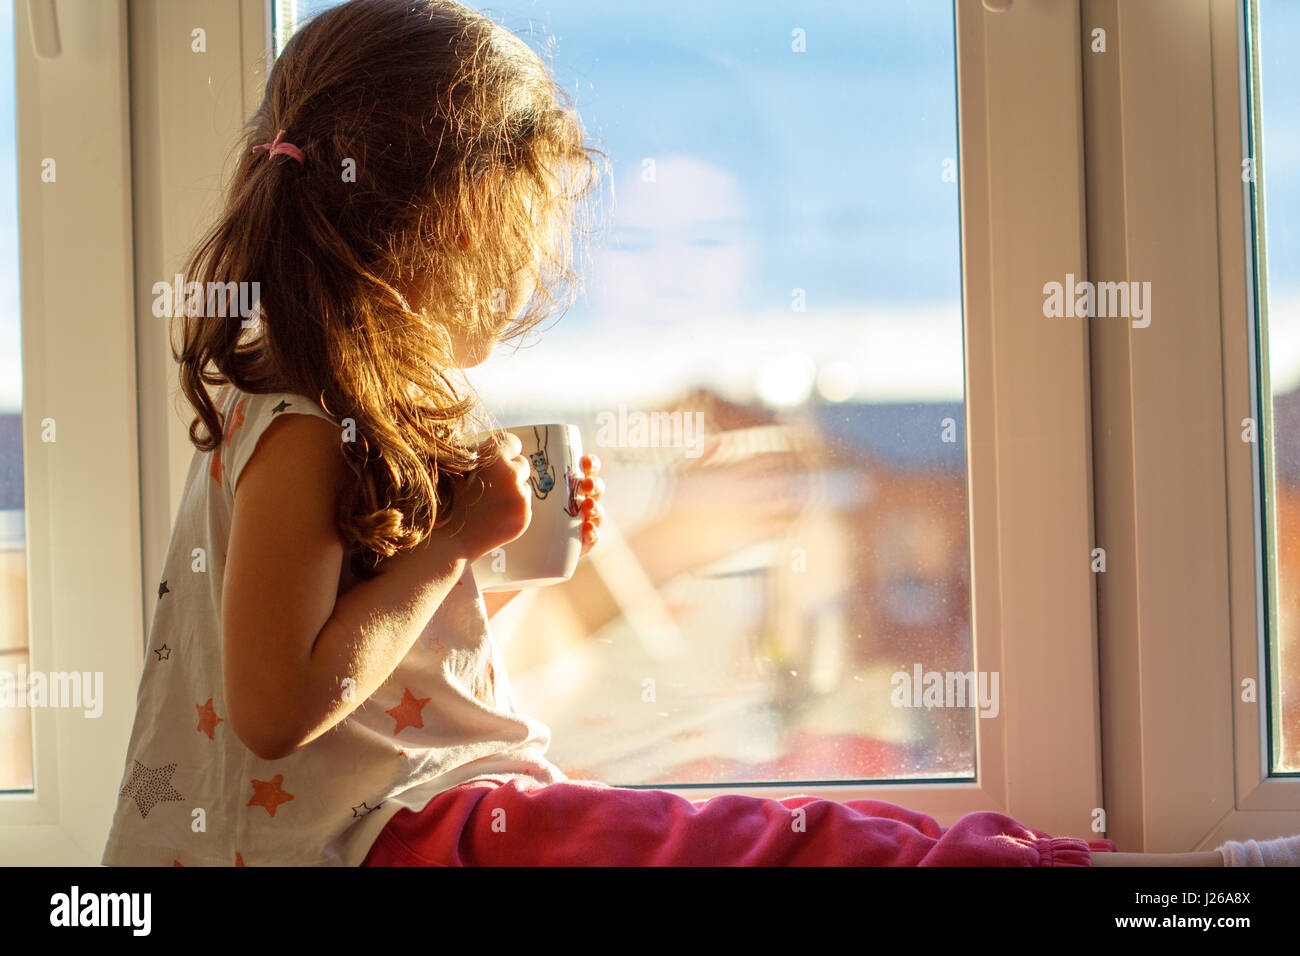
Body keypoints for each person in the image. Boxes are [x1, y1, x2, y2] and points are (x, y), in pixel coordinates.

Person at [100, 0, 1289, 867]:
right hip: (381, 836)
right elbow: (273, 708)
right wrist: (456, 546)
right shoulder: (305, 429)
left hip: (405, 814)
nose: (521, 299)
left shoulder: (341, 415)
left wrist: (499, 568)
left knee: (778, 830)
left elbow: (384, 676)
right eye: (511, 262)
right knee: (763, 845)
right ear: (439, 232)